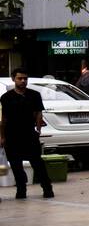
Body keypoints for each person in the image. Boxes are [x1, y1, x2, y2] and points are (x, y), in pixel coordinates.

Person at [0, 68, 53, 200]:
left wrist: (38, 128)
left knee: (37, 163)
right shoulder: (6, 98)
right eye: (20, 78)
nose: (23, 81)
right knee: (16, 165)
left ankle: (47, 188)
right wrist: (2, 136)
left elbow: (39, 112)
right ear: (13, 79)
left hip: (29, 133)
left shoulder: (34, 95)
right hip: (11, 135)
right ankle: (21, 190)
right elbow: (3, 119)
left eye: (25, 78)